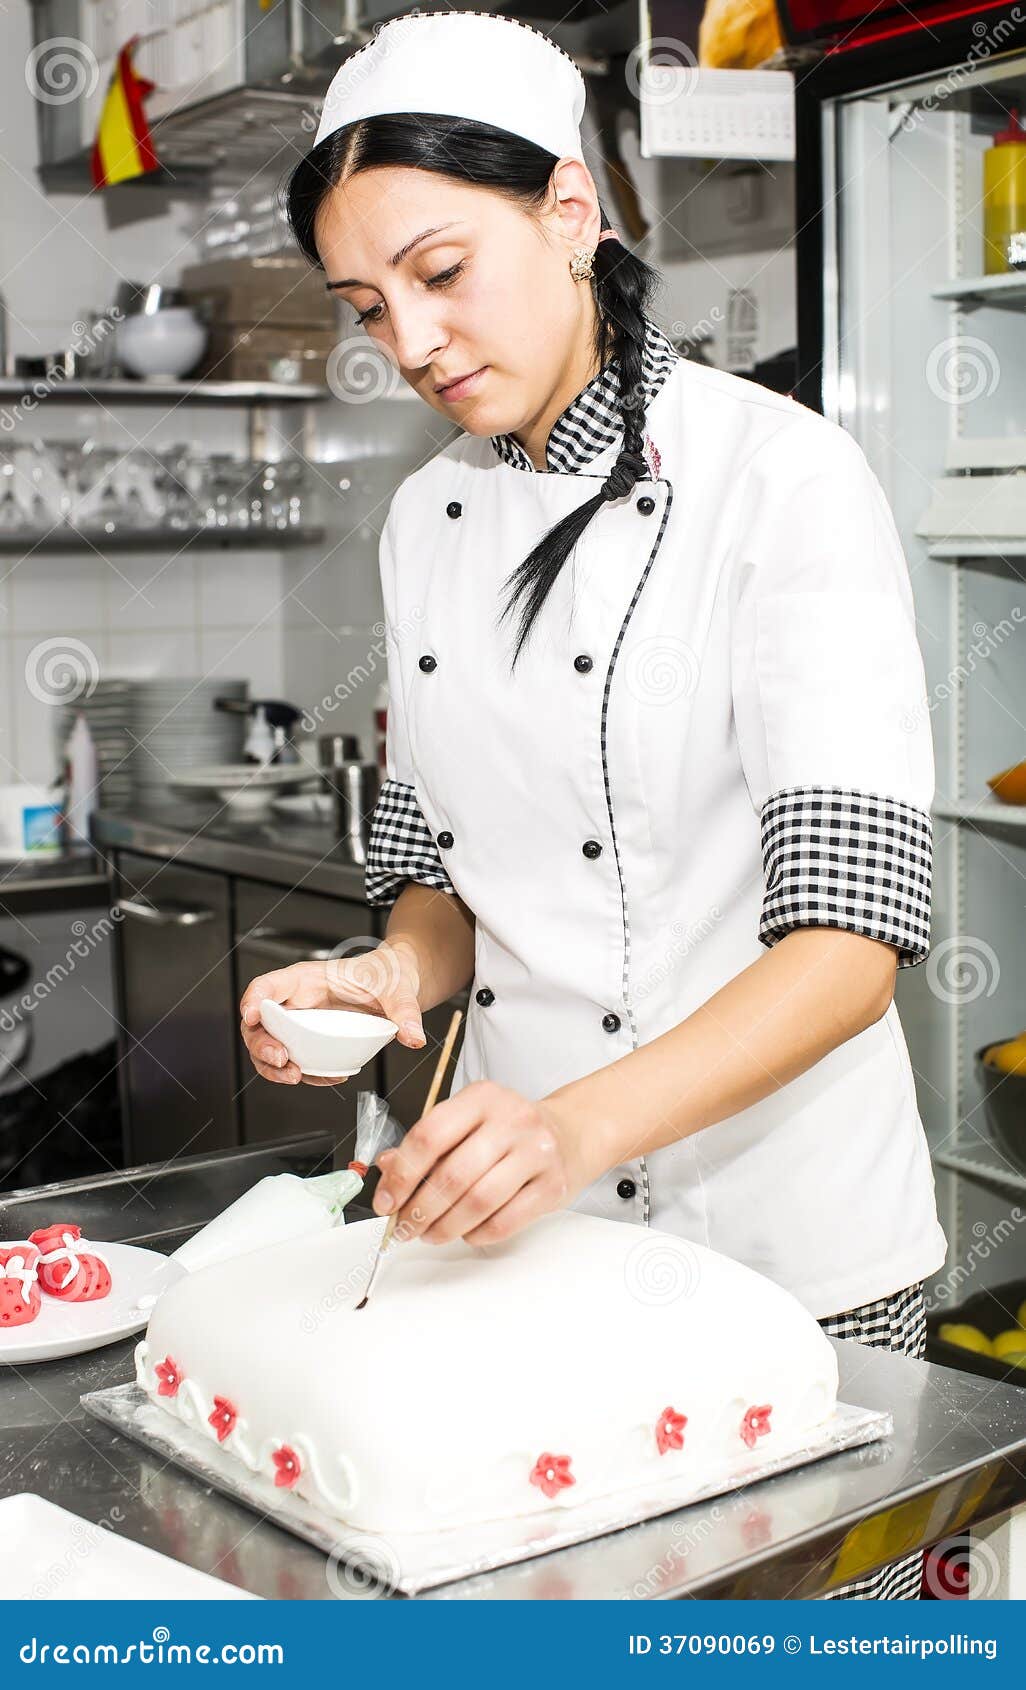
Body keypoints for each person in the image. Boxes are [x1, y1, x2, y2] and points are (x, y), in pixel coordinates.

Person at [239, 11, 947, 1600]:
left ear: (571, 213)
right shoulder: (423, 519)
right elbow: (443, 879)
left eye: (440, 271)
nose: (412, 340)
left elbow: (847, 950)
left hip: (783, 1252)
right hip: (530, 1247)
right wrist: (384, 975)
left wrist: (570, 1128)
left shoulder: (781, 479)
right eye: (368, 306)